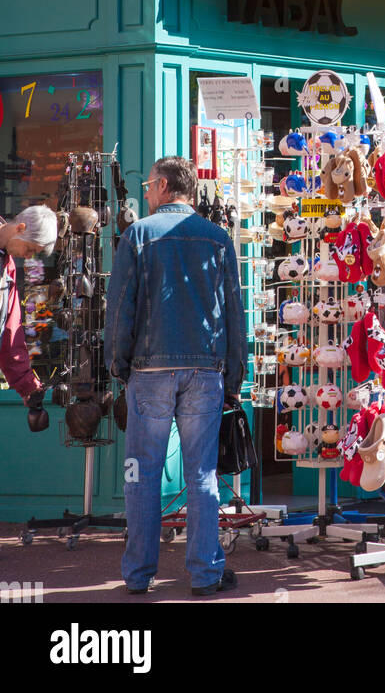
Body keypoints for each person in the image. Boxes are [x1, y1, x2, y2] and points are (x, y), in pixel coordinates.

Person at [105, 156, 247, 597]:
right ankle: (205, 573)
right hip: (205, 371)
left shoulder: (138, 235)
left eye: (149, 184)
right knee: (201, 474)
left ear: (164, 186)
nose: (146, 190)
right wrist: (234, 376)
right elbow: (234, 314)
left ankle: (138, 574)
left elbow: (121, 307)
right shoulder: (218, 239)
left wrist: (118, 364)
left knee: (140, 473)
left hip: (150, 369)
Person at [0, 206, 58, 431]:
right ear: (20, 228)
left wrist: (27, 385)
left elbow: (10, 330)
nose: (28, 256)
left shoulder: (8, 267)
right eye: (30, 249)